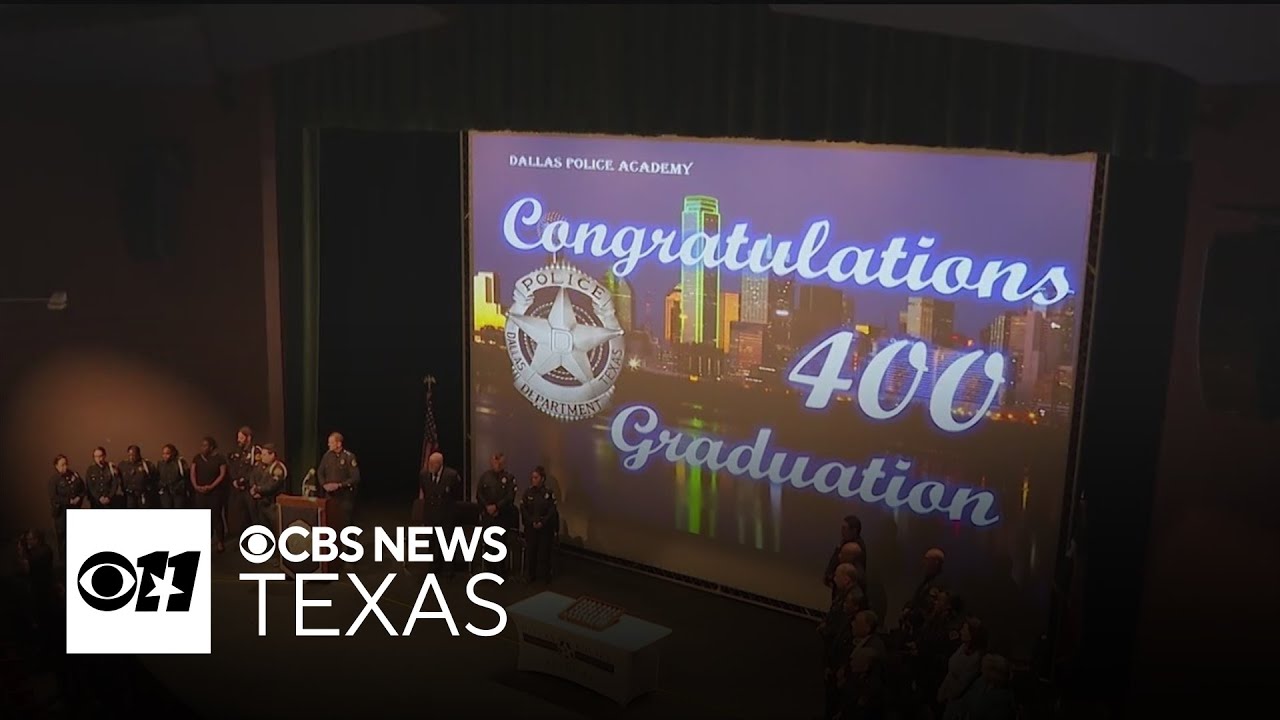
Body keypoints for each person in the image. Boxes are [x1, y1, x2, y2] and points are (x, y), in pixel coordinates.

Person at [419, 451, 462, 576]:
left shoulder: (452, 475)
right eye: (429, 463)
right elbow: (426, 493)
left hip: (446, 515)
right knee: (432, 543)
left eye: (432, 463)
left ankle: (448, 570)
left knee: (447, 543)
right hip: (430, 515)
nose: (429, 465)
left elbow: (456, 494)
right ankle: (433, 567)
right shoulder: (424, 475)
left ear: (440, 463)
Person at [475, 452, 517, 575]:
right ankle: (489, 569)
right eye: (495, 461)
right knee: (488, 543)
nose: (497, 464)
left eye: (500, 462)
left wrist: (497, 507)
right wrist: (487, 507)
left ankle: (500, 571)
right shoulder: (485, 476)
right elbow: (479, 494)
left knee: (500, 543)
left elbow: (510, 496)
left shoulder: (509, 478)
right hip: (488, 516)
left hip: (502, 516)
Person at [937, 617, 987, 717]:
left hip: (960, 704)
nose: (961, 631)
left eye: (964, 629)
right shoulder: (963, 647)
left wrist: (949, 693)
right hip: (950, 699)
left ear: (972, 634)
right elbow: (951, 672)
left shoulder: (976, 658)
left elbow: (962, 684)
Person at [520, 466, 557, 583]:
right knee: (531, 552)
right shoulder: (528, 492)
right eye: (532, 478)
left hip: (545, 529)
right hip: (531, 528)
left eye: (536, 477)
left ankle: (544, 577)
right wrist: (531, 522)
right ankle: (530, 575)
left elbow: (552, 511)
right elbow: (523, 509)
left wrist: (543, 522)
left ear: (542, 479)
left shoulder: (548, 493)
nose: (533, 480)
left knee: (544, 553)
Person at [192, 437, 229, 552]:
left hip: (215, 493)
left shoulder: (219, 458)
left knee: (216, 517)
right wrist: (196, 486)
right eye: (202, 445)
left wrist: (211, 486)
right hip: (200, 492)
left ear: (211, 447)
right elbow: (193, 473)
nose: (203, 448)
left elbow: (222, 474)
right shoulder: (197, 458)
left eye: (205, 445)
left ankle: (220, 541)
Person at [317, 432, 360, 526]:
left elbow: (355, 477)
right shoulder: (327, 456)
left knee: (345, 523)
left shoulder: (349, 457)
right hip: (330, 496)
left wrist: (339, 485)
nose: (328, 444)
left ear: (338, 444)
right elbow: (320, 472)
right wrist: (324, 484)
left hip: (344, 497)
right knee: (330, 522)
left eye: (331, 442)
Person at [47, 455, 84, 562]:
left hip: (74, 510)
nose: (65, 467)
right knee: (62, 537)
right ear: (56, 466)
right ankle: (63, 561)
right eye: (62, 465)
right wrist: (68, 501)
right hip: (61, 513)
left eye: (66, 464)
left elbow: (82, 488)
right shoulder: (54, 480)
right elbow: (54, 497)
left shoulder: (74, 475)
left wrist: (78, 497)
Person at [227, 426, 260, 535]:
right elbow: (233, 467)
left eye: (241, 438)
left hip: (249, 489)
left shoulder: (255, 451)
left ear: (248, 438)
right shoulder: (237, 452)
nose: (238, 440)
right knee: (242, 517)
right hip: (239, 490)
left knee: (254, 517)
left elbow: (255, 470)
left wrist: (243, 481)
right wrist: (235, 481)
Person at [249, 444, 287, 528]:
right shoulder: (261, 466)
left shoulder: (278, 468)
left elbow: (271, 486)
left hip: (272, 505)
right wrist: (253, 488)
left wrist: (258, 490)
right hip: (262, 503)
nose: (262, 457)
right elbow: (253, 477)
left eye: (264, 455)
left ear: (272, 455)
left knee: (273, 529)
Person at [155, 444, 188, 509]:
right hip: (165, 492)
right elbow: (157, 477)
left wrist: (179, 487)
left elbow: (185, 477)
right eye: (163, 453)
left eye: (167, 453)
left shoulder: (180, 463)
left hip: (178, 492)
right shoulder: (160, 464)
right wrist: (161, 485)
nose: (165, 456)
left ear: (173, 453)